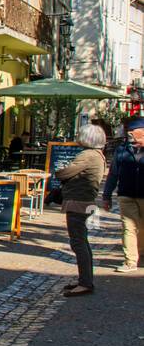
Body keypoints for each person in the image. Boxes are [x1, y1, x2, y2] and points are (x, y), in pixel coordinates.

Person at [58, 122, 107, 297]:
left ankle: (85, 282)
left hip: (78, 202)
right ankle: (84, 280)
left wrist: (59, 172)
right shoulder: (98, 155)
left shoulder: (88, 155)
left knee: (78, 242)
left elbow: (65, 173)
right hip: (85, 201)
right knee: (81, 241)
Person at [103, 116, 144, 274]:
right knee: (129, 228)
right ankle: (130, 261)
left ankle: (140, 251)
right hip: (126, 194)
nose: (130, 136)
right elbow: (113, 174)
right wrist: (106, 196)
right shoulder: (122, 149)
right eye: (129, 133)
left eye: (133, 133)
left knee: (142, 228)